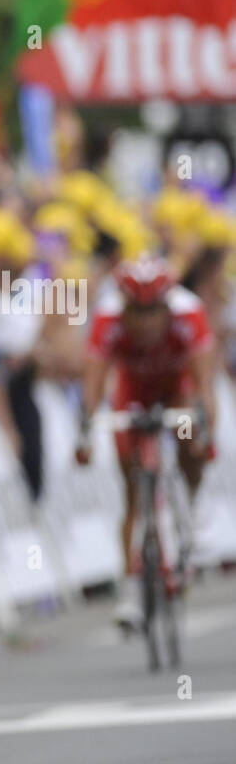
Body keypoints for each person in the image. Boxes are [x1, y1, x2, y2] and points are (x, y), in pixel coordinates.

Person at [75, 257, 218, 630]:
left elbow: (204, 386)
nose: (146, 322)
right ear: (124, 307)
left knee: (189, 436)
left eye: (154, 310)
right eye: (137, 312)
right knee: (133, 491)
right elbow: (92, 387)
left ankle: (191, 504)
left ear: (167, 305)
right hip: (132, 393)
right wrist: (85, 434)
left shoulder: (189, 313)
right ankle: (132, 590)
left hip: (177, 389)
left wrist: (206, 435)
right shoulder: (107, 319)